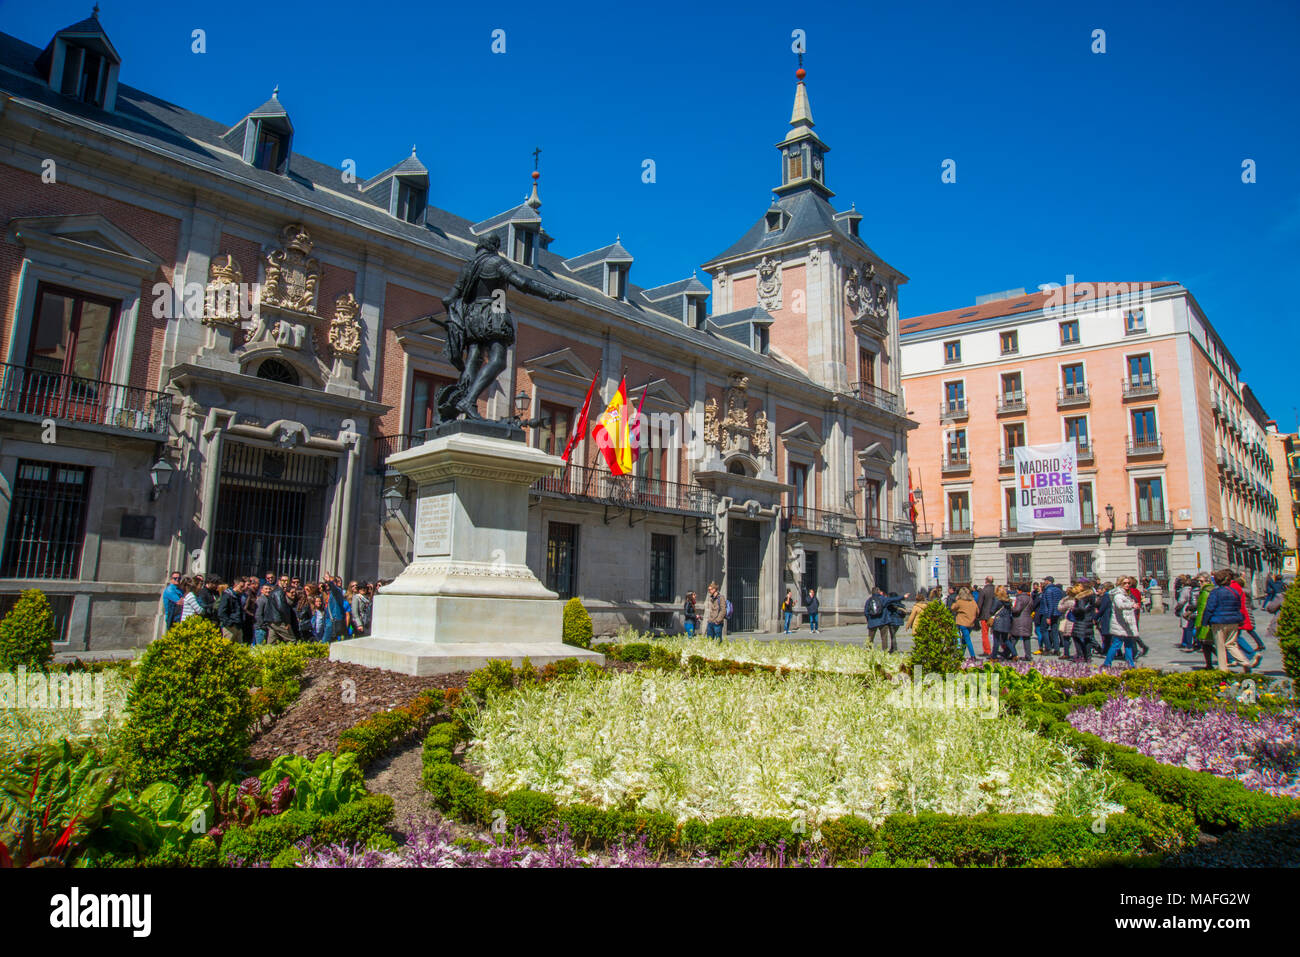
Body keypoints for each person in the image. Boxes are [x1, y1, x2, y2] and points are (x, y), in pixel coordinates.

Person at [1202, 569, 1255, 673]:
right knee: (1231, 644)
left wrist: (1205, 621)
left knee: (1220, 646)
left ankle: (1223, 669)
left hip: (1219, 621)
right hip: (1233, 621)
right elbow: (1238, 606)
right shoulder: (1234, 592)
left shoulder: (1215, 592)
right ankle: (1245, 662)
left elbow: (1210, 608)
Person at [1102, 583, 1140, 668]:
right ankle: (1107, 663)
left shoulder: (1126, 594)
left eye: (1128, 583)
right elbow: (1120, 605)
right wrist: (1131, 605)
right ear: (1120, 583)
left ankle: (1130, 664)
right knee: (1116, 644)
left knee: (1128, 644)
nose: (1127, 585)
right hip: (1120, 623)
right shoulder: (1118, 595)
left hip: (1126, 623)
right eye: (1125, 583)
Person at [1229, 573, 1265, 657]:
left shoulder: (1241, 591)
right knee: (1249, 630)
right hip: (1247, 611)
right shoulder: (1246, 591)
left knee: (1242, 631)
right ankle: (1259, 644)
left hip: (1244, 612)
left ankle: (1250, 651)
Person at [1070, 583, 1099, 662]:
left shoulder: (1081, 597)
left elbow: (1081, 609)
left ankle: (1080, 655)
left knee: (1076, 636)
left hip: (1081, 620)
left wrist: (1074, 610)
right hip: (1089, 619)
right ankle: (1088, 656)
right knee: (1087, 638)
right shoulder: (1091, 596)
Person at [1039, 576, 1065, 655]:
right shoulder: (1058, 590)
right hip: (1056, 613)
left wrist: (1048, 616)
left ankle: (1048, 648)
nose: (1044, 582)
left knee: (1043, 630)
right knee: (1055, 631)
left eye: (1045, 580)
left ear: (1048, 581)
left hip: (1047, 613)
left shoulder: (1048, 590)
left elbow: (1050, 604)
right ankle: (1056, 649)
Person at [951, 586, 979, 659]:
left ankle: (973, 655)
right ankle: (961, 655)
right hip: (971, 623)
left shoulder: (960, 602)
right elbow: (977, 611)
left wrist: (956, 601)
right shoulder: (973, 601)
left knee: (967, 640)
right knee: (964, 640)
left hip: (962, 623)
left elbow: (952, 608)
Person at [1010, 583, 1035, 660]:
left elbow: (1017, 609)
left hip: (1019, 620)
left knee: (1014, 638)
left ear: (1020, 590)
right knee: (1026, 638)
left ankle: (1009, 652)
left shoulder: (1020, 598)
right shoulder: (1030, 598)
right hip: (1028, 619)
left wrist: (1011, 609)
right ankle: (1028, 655)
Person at [216, 577, 244, 642]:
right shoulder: (227, 595)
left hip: (238, 625)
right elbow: (221, 612)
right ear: (235, 585)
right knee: (227, 647)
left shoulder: (238, 596)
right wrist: (229, 623)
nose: (243, 589)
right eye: (241, 586)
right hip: (230, 627)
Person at [990, 585, 1014, 659]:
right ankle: (1015, 654)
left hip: (998, 621)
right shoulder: (1008, 600)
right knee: (1006, 639)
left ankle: (994, 657)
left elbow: (992, 611)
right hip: (1007, 621)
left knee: (996, 640)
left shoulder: (997, 600)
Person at [976, 577, 998, 656]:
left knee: (985, 634)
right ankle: (1003, 649)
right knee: (998, 633)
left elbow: (979, 604)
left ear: (985, 581)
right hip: (995, 615)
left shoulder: (983, 591)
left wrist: (977, 615)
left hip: (985, 615)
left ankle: (987, 650)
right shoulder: (996, 590)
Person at [1056, 585, 1078, 660]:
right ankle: (1079, 653)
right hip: (1076, 620)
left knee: (1066, 638)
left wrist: (1062, 600)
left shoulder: (1068, 601)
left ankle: (1066, 653)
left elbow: (1060, 608)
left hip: (1069, 620)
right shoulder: (1077, 600)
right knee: (1076, 638)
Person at [1095, 581, 1115, 658]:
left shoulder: (1106, 596)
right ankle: (1107, 651)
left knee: (1108, 637)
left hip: (1106, 618)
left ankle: (1107, 652)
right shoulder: (1107, 596)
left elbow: (1102, 608)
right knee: (1108, 637)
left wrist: (1095, 617)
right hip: (1107, 617)